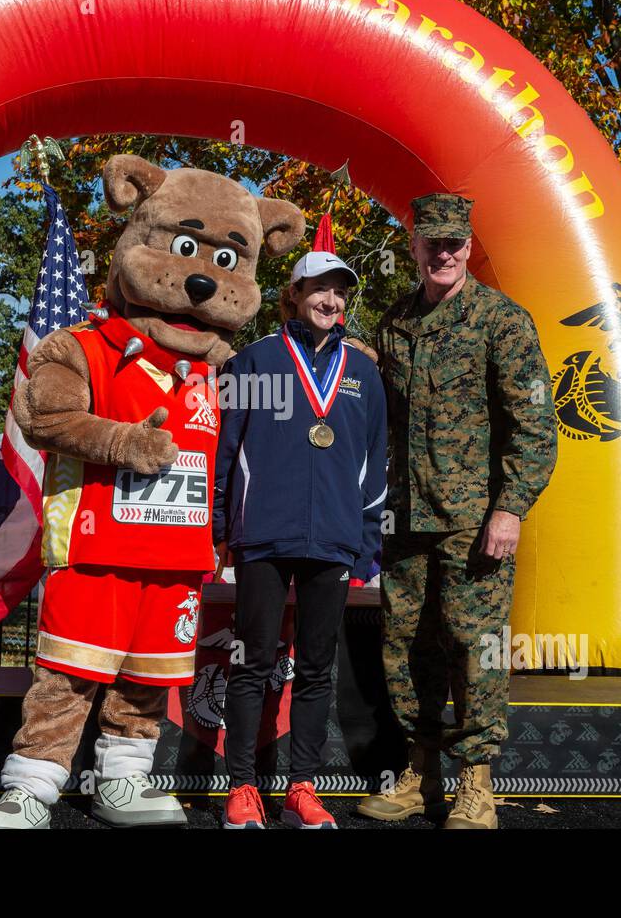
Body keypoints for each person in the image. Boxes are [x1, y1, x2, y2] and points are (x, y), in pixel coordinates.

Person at [356, 193, 557, 830]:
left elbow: (534, 426)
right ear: (413, 248)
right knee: (405, 648)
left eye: (454, 244)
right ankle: (418, 770)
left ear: (467, 247)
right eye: (431, 243)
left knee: (477, 648)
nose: (442, 253)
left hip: (474, 521)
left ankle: (477, 784)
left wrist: (511, 509)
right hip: (405, 519)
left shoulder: (502, 321)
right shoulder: (393, 324)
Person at [213, 251, 387, 829]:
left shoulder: (364, 375)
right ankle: (241, 787)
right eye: (319, 289)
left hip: (334, 541)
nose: (329, 301)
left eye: (339, 292)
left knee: (316, 670)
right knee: (253, 664)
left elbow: (374, 465)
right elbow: (225, 452)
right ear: (293, 293)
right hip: (263, 535)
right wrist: (219, 532)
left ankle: (302, 787)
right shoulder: (255, 362)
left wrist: (365, 545)